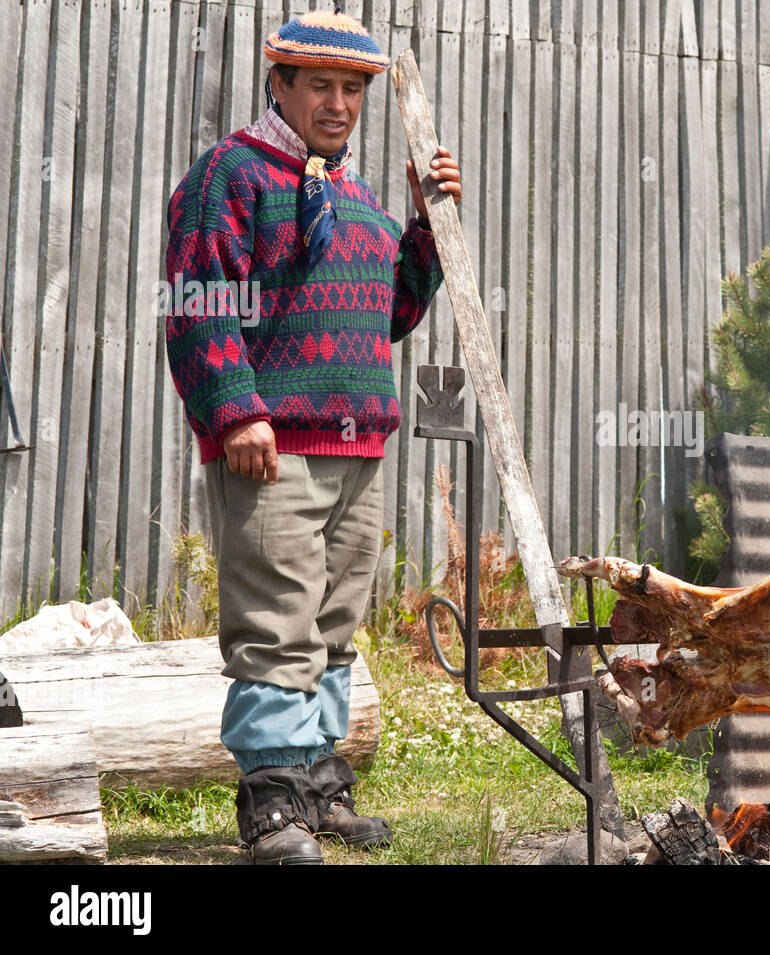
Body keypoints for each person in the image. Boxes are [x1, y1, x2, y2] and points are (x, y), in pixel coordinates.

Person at [163, 7, 461, 864]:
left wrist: (427, 223)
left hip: (357, 451)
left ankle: (319, 787)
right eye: (320, 86)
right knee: (277, 625)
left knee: (332, 627)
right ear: (281, 84)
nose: (338, 103)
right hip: (273, 446)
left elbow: (390, 312)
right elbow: (198, 301)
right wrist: (235, 408)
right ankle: (271, 806)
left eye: (353, 90)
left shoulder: (360, 201)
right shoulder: (232, 175)